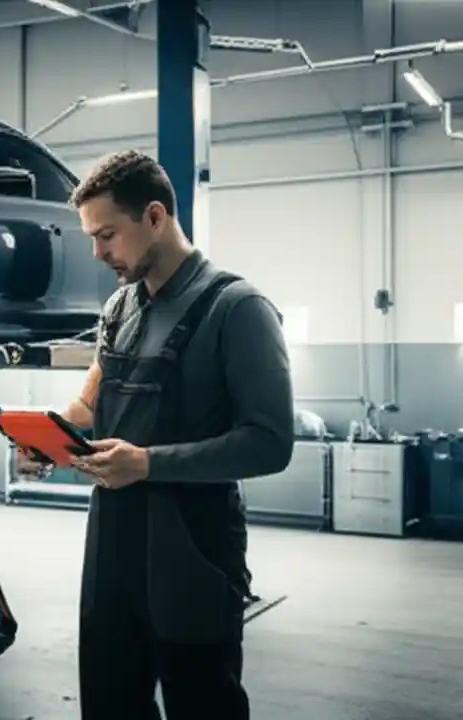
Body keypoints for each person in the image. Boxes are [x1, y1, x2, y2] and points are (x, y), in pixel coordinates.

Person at [15, 150, 294, 719]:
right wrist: (47, 440)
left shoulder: (238, 308)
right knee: (110, 702)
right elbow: (89, 404)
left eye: (108, 235)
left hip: (193, 547)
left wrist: (146, 463)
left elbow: (270, 442)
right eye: (92, 237)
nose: (98, 253)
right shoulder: (120, 308)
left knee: (202, 704)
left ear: (156, 217)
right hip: (113, 544)